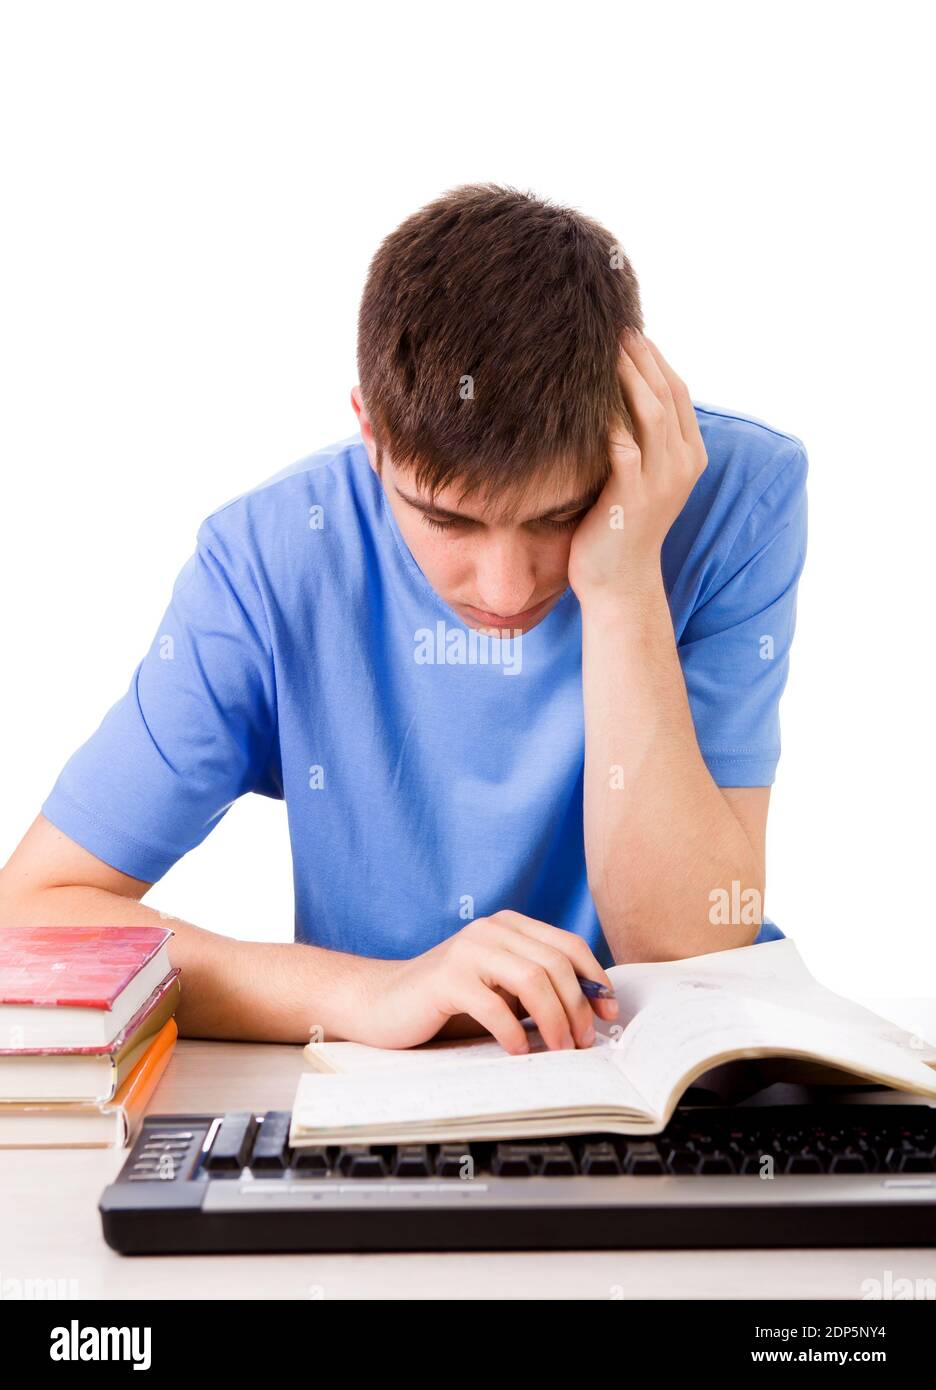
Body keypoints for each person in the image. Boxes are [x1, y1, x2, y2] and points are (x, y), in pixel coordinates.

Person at [0, 184, 808, 1054]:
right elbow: (30, 925)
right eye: (448, 519)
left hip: (675, 1097)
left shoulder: (728, 495)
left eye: (556, 515)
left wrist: (622, 588)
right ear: (371, 434)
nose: (504, 590)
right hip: (391, 1100)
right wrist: (372, 994)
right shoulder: (270, 556)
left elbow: (686, 948)